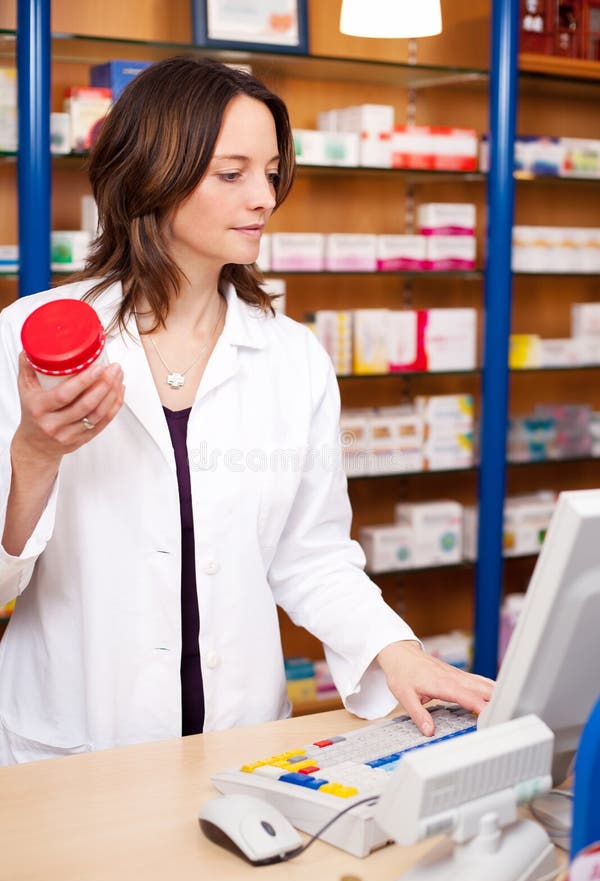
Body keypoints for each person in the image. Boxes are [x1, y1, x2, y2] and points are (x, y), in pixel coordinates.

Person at [0, 57, 492, 766]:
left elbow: (313, 556)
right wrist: (35, 453)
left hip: (241, 745)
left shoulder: (292, 358)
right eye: (231, 174)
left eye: (269, 172)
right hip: (71, 751)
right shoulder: (31, 336)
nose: (263, 196)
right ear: (152, 171)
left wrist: (398, 652)